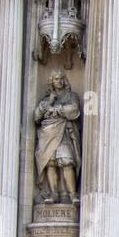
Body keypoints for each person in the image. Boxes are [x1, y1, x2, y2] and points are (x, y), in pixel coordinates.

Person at [34, 70, 81, 203]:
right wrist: (48, 103)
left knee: (66, 160)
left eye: (61, 78)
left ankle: (72, 194)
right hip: (47, 134)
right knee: (51, 162)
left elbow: (74, 109)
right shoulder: (45, 99)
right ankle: (53, 194)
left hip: (63, 132)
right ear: (51, 81)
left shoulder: (71, 96)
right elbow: (36, 117)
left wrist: (58, 109)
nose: (59, 81)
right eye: (56, 79)